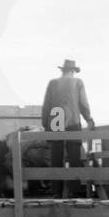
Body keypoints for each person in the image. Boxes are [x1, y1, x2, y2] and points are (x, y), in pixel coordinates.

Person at [42, 59, 95, 198]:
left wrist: (45, 124)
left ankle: (56, 192)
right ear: (73, 71)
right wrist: (88, 118)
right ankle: (73, 190)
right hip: (72, 119)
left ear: (62, 70)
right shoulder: (78, 82)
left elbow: (46, 105)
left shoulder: (53, 83)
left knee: (56, 156)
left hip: (55, 118)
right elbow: (83, 103)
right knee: (74, 155)